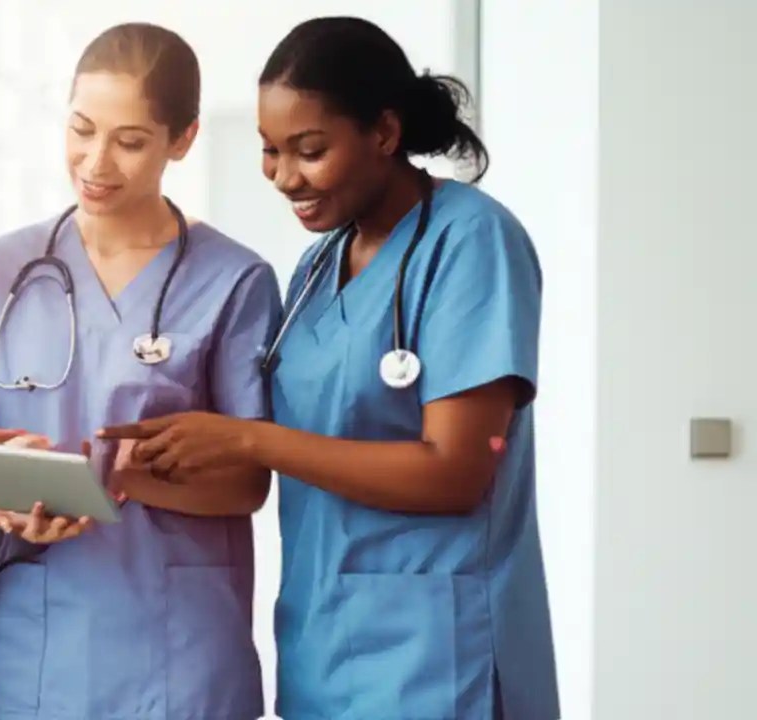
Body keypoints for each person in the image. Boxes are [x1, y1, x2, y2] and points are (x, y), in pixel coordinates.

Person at [101, 17, 560, 720]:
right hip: (325, 648)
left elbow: (458, 472)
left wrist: (250, 440)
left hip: (439, 657)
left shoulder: (471, 241)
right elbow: (301, 447)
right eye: (269, 151)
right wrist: (116, 469)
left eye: (309, 150)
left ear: (383, 132)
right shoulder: (317, 269)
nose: (286, 177)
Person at [0, 23, 281, 720]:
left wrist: (119, 480)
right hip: (35, 644)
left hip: (179, 646)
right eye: (80, 129)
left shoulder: (232, 280)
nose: (95, 161)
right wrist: (1, 488)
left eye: (130, 141)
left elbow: (249, 481)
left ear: (183, 140)